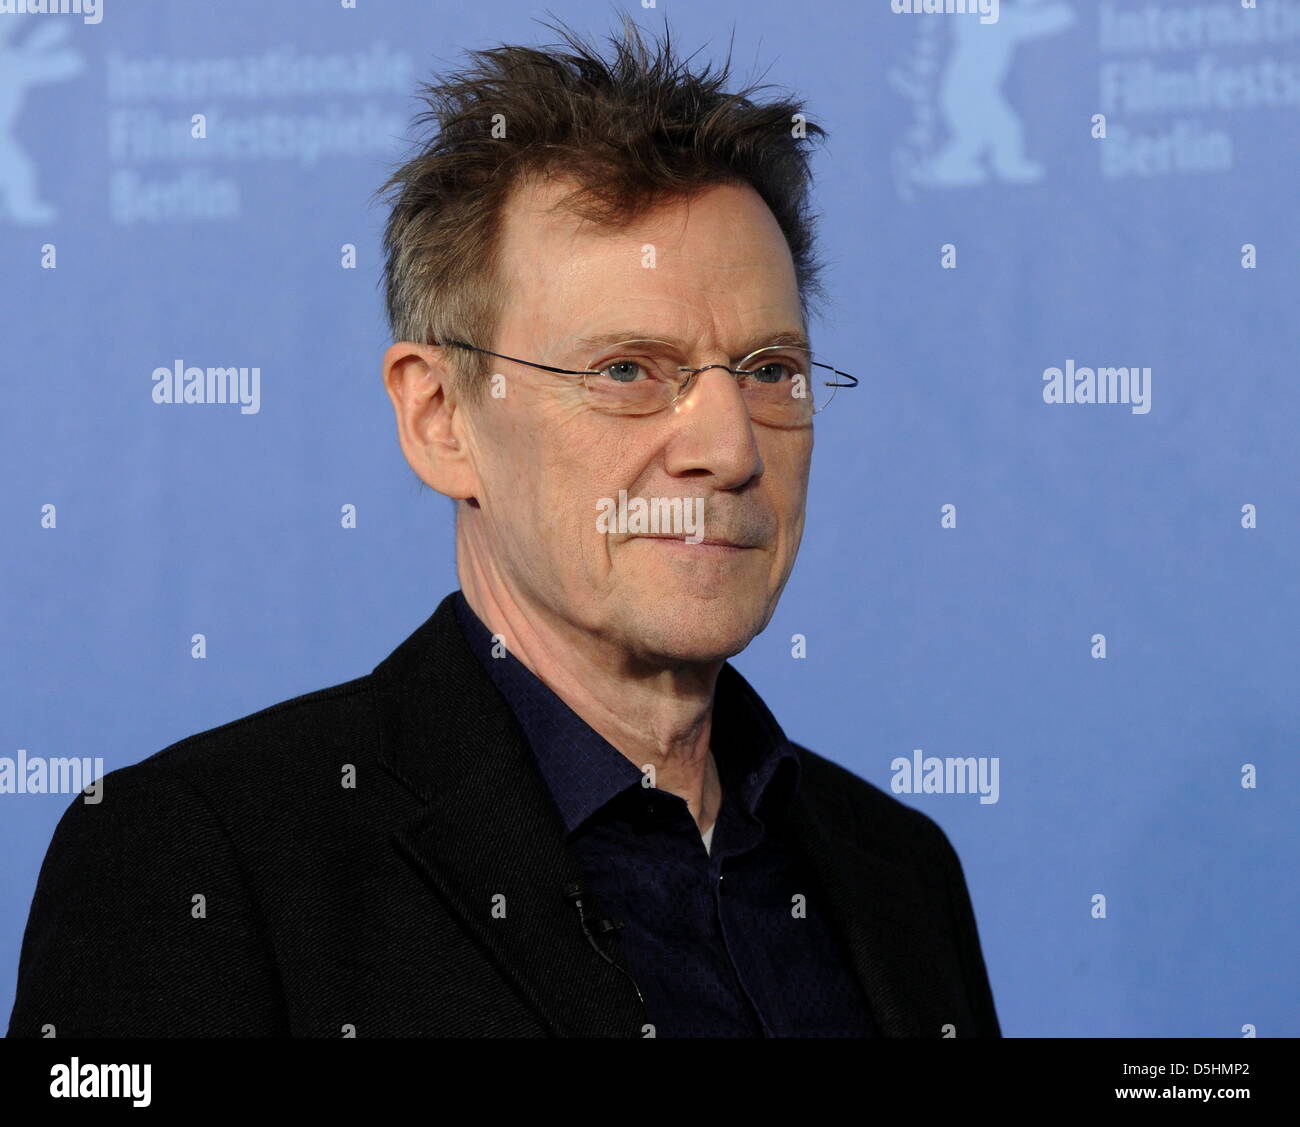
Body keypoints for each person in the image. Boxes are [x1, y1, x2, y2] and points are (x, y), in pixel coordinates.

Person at [8, 17, 999, 1038]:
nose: (730, 446)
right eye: (626, 371)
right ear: (440, 419)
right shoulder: (203, 864)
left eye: (769, 372)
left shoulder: (896, 870)